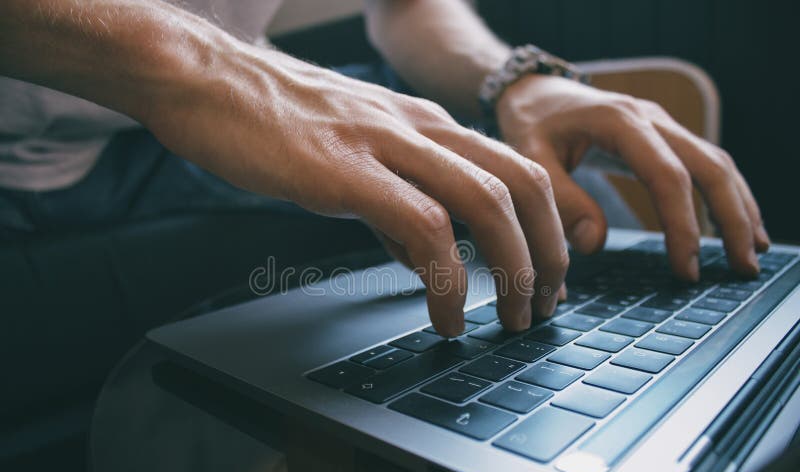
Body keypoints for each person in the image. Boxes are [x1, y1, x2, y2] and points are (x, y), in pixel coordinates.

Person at [0, 0, 769, 338]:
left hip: (200, 102)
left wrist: (516, 81)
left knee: (545, 194)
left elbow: (404, 3)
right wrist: (200, 64)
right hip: (39, 151)